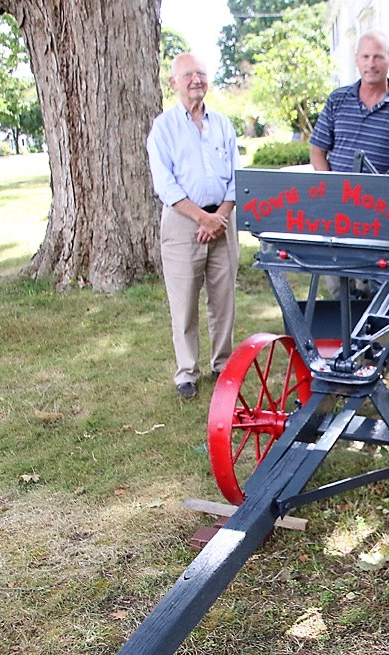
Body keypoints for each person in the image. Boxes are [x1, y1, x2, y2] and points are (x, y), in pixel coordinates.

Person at [146, 53, 241, 399]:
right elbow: (165, 184)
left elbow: (236, 177)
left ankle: (224, 365)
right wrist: (203, 218)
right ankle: (187, 372)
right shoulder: (164, 127)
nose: (195, 80)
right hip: (184, 224)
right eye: (187, 75)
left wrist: (220, 217)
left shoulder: (223, 125)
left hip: (224, 220)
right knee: (184, 301)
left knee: (224, 299)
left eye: (200, 73)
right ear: (174, 83)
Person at [310, 30, 389, 176]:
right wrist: (330, 187)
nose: (371, 64)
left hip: (383, 197)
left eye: (378, 57)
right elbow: (317, 152)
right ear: (357, 60)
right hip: (338, 195)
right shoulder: (337, 100)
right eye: (365, 57)